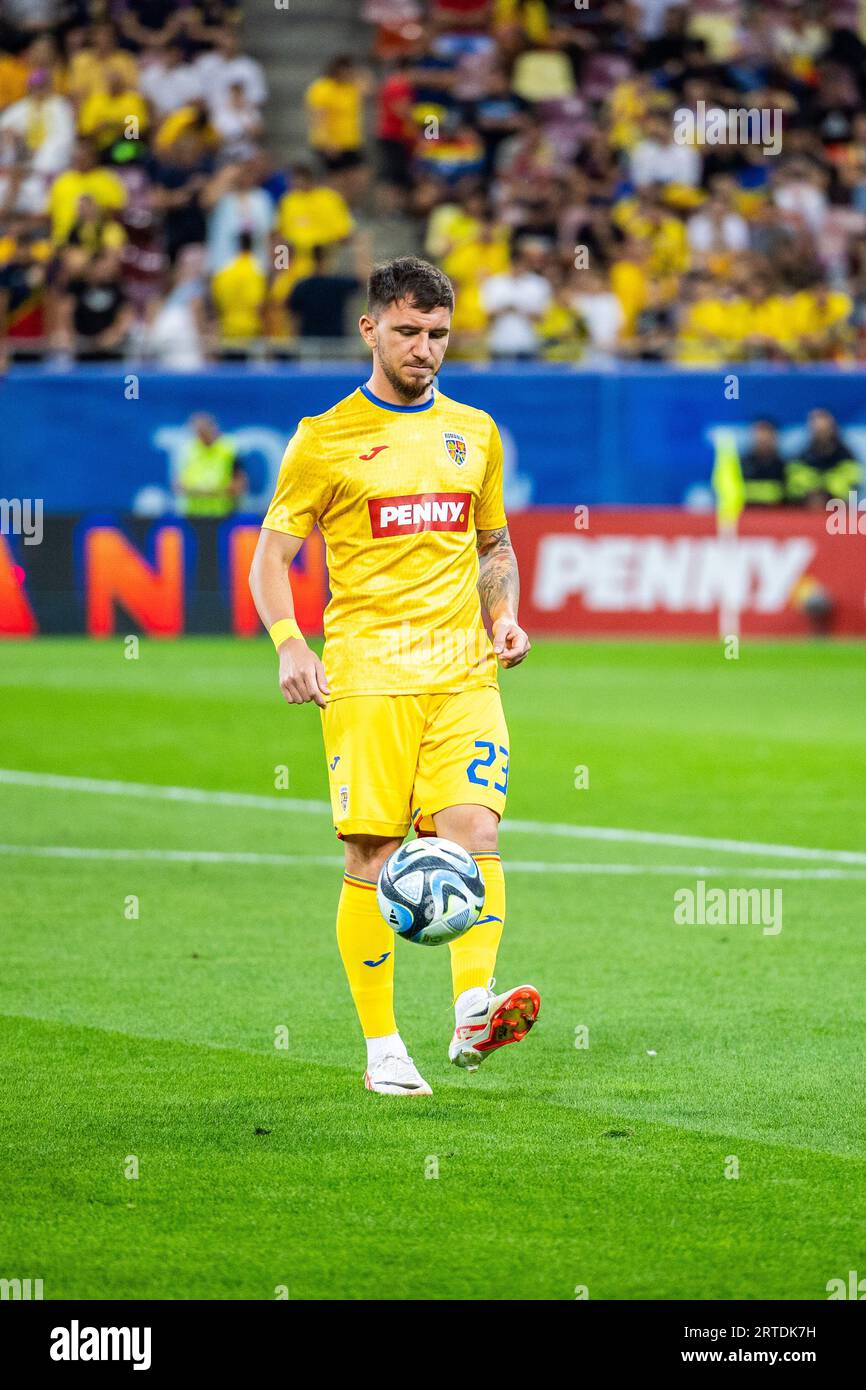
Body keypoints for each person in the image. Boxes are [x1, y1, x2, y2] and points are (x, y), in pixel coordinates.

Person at [249, 256, 540, 1097]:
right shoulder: (324, 437)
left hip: (463, 672)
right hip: (369, 672)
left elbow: (494, 546)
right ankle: (383, 1049)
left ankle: (474, 1010)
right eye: (408, 331)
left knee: (475, 836)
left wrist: (503, 617)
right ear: (370, 329)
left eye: (439, 334)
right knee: (373, 853)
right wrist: (288, 643)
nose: (425, 349)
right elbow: (274, 555)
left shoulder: (474, 432)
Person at [786, 408, 862, 507]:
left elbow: (852, 488)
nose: (821, 433)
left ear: (833, 428)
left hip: (839, 512)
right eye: (817, 430)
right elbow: (794, 488)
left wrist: (826, 493)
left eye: (824, 429)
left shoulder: (847, 458)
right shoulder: (801, 458)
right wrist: (811, 493)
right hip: (806, 511)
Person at [175, 412, 247, 516]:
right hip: (193, 516)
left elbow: (240, 485)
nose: (201, 437)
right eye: (198, 433)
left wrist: (211, 492)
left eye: (204, 432)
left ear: (213, 428)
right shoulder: (189, 450)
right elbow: (178, 485)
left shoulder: (229, 449)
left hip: (223, 515)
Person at [740, 418, 788, 507]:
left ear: (775, 437)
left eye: (767, 434)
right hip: (746, 518)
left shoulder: (786, 467)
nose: (762, 439)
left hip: (779, 518)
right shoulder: (739, 467)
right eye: (758, 434)